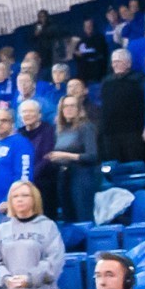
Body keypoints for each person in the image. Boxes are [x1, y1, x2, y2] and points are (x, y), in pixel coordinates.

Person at [0, 181, 63, 289]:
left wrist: (29, 279)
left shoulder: (48, 227)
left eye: (25, 195)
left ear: (34, 199)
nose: (19, 199)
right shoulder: (1, 230)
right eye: (15, 196)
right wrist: (6, 279)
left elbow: (54, 260)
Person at [44, 95, 99, 223]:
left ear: (79, 109)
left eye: (72, 106)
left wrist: (65, 155)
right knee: (68, 218)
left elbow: (92, 156)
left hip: (82, 176)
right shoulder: (59, 130)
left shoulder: (86, 127)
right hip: (64, 175)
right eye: (65, 106)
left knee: (83, 216)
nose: (68, 109)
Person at [100, 49, 145, 163]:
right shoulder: (107, 81)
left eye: (119, 61)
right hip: (111, 132)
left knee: (134, 164)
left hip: (133, 132)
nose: (115, 65)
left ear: (128, 63)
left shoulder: (139, 80)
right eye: (113, 62)